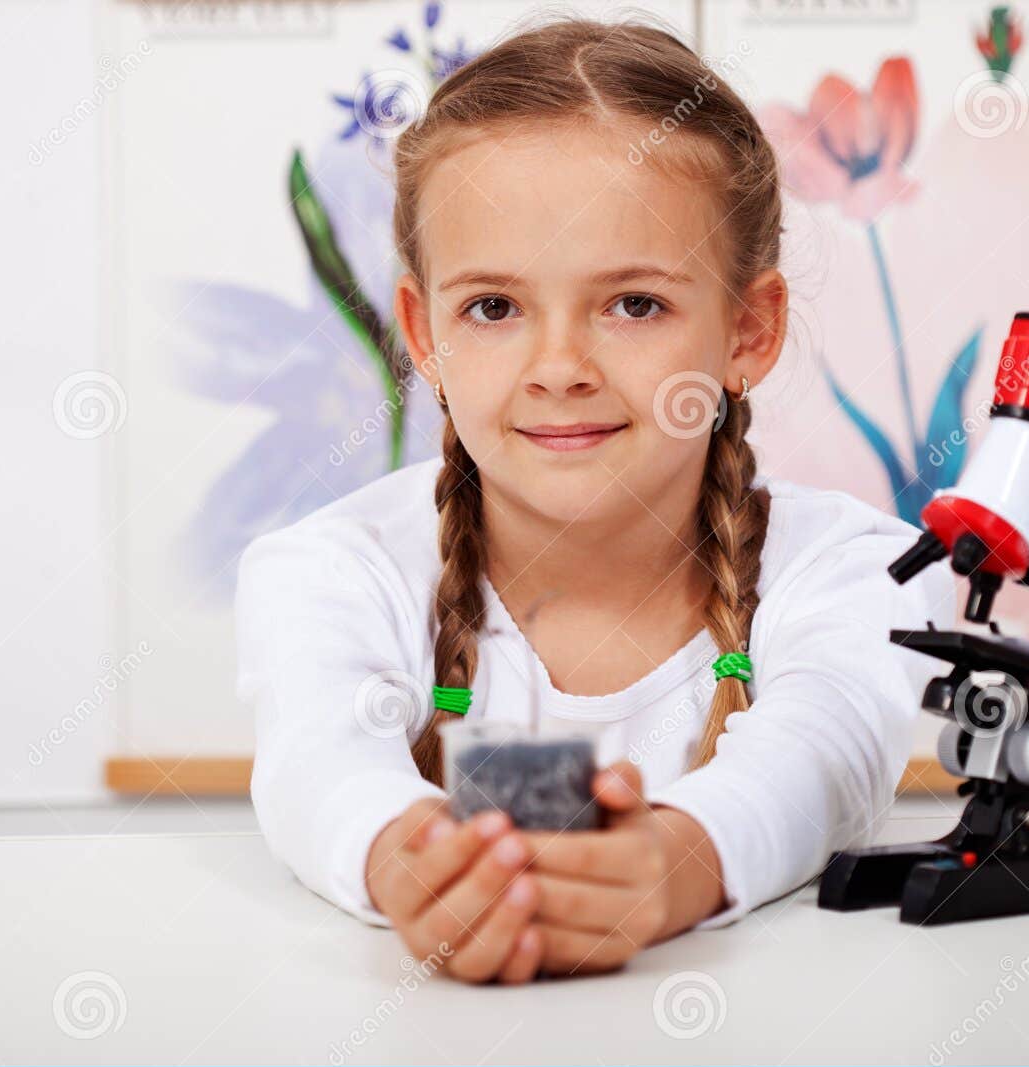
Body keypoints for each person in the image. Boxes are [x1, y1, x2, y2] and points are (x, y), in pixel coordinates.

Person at [235, 16, 955, 985]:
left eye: (633, 304)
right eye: (493, 307)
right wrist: (412, 858)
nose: (560, 368)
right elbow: (315, 761)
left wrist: (672, 866)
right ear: (423, 329)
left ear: (747, 329)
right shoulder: (327, 569)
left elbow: (819, 751)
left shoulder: (859, 569)